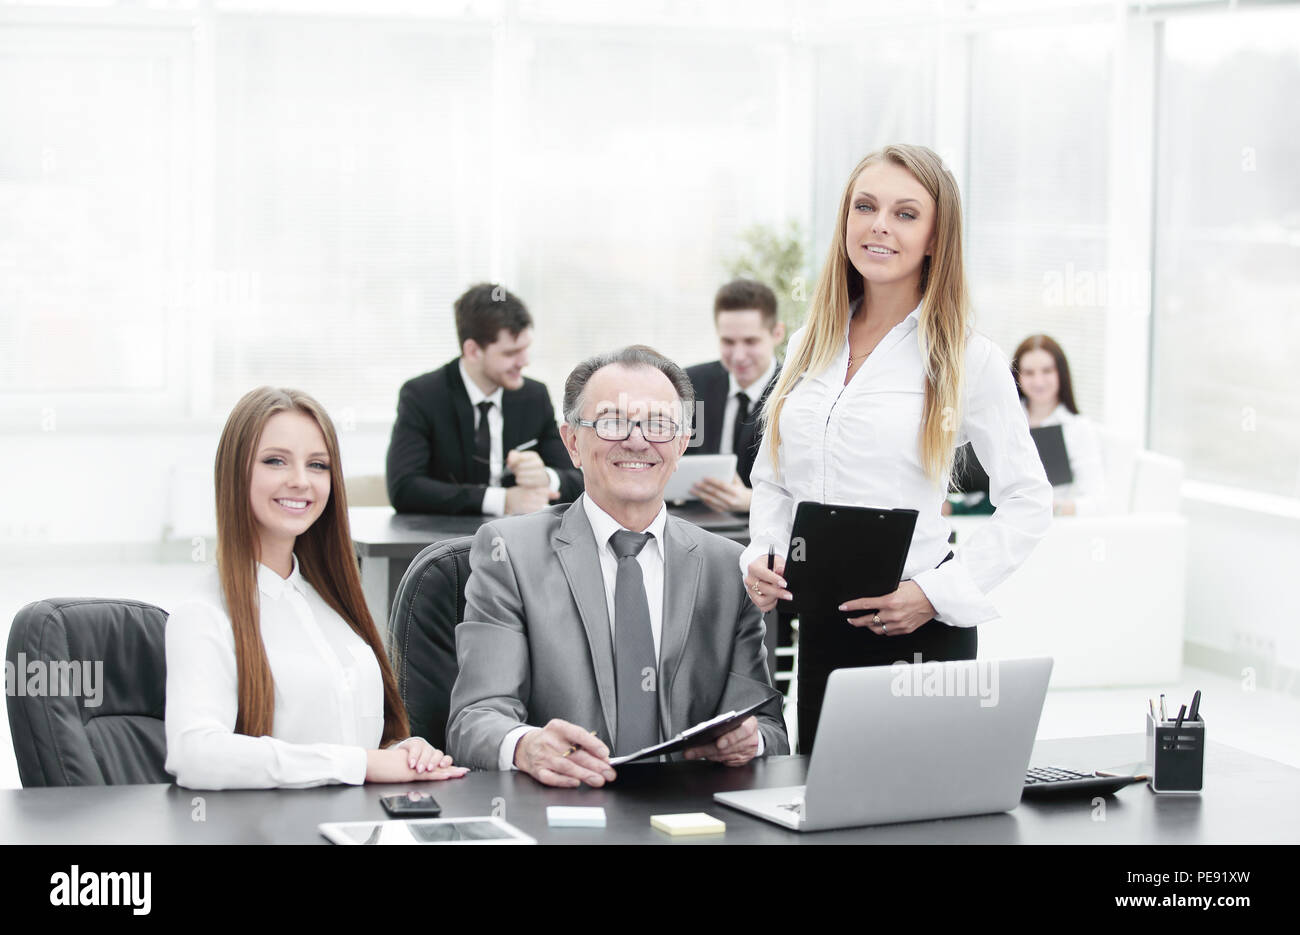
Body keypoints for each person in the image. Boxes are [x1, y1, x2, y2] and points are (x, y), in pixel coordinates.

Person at [740, 144, 1054, 753]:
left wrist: (934, 595)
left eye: (906, 213)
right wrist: (763, 552)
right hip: (822, 628)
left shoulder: (968, 358)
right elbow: (775, 480)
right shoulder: (810, 343)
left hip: (920, 634)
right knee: (822, 804)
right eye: (866, 206)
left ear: (937, 237)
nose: (880, 224)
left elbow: (1027, 499)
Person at [446, 346, 789, 786]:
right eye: (611, 422)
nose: (637, 439)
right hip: (562, 814)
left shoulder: (728, 568)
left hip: (689, 815)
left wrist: (750, 741)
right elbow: (474, 720)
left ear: (682, 443)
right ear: (572, 441)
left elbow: (772, 731)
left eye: (659, 424)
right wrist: (527, 745)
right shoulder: (509, 554)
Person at [165, 386, 469, 789]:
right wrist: (360, 764)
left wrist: (403, 750)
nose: (300, 481)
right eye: (276, 461)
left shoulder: (331, 602)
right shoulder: (203, 613)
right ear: (235, 471)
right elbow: (196, 755)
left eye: (318, 465)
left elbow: (359, 738)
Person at [385, 283, 584, 515]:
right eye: (510, 353)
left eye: (525, 349)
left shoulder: (534, 397)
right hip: (444, 542)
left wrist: (546, 477)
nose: (524, 361)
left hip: (518, 543)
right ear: (472, 351)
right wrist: (502, 501)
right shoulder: (423, 396)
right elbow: (404, 488)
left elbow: (579, 479)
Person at [684, 278, 785, 514]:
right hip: (694, 521)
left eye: (751, 341)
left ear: (777, 333)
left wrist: (754, 500)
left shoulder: (797, 392)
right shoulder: (688, 383)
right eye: (728, 342)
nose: (739, 356)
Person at [1013, 334, 1107, 516]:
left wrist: (1055, 507)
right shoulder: (1008, 421)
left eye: (1047, 371)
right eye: (1029, 373)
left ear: (1060, 374)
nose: (1038, 381)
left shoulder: (1078, 428)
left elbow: (1097, 501)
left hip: (1054, 525)